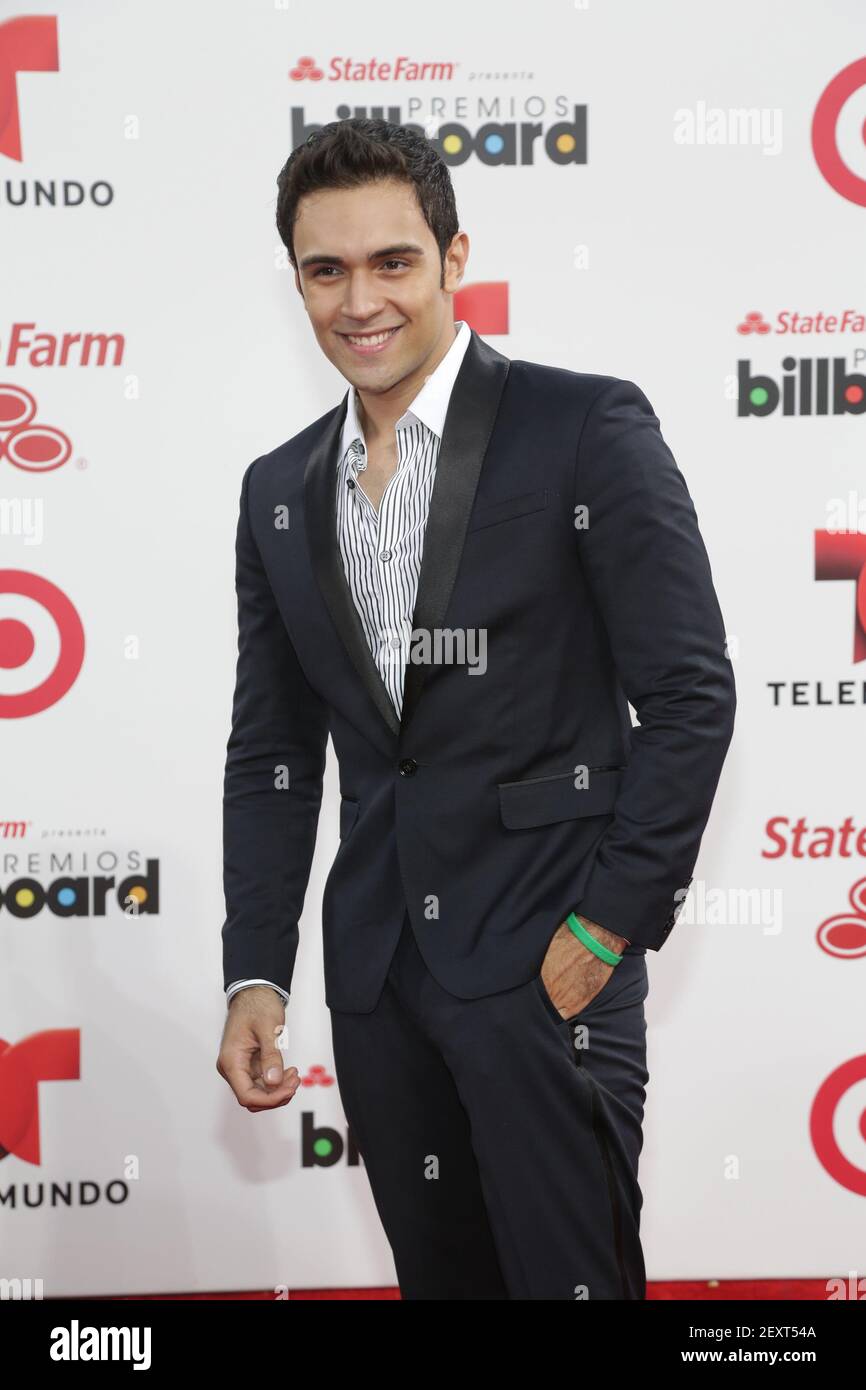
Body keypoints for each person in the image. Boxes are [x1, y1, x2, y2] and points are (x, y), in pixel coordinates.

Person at [215, 117, 736, 1300]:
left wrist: (604, 929)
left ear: (454, 258)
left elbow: (689, 695)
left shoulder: (583, 429)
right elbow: (274, 750)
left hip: (548, 968)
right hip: (381, 984)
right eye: (325, 269)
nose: (360, 301)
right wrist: (259, 971)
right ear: (295, 277)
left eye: (392, 262)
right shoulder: (277, 491)